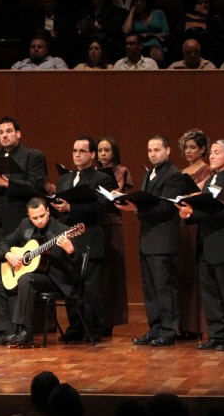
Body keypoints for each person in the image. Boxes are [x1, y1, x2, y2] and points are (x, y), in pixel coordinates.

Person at [0, 117, 48, 338]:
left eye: (9, 131)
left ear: (19, 133)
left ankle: (16, 327)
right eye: (1, 132)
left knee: (13, 279)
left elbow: (37, 187)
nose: (4, 135)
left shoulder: (32, 156)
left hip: (14, 227)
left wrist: (8, 183)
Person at [114, 135, 185, 347]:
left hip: (164, 240)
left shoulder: (174, 175)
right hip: (147, 239)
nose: (153, 154)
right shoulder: (149, 173)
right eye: (150, 150)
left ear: (168, 151)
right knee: (150, 287)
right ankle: (155, 328)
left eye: (157, 150)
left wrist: (136, 207)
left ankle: (169, 330)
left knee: (165, 287)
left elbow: (165, 207)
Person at [0, 197, 84, 346]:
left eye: (42, 216)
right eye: (35, 218)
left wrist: (71, 252)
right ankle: (8, 331)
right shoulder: (25, 225)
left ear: (48, 211)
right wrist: (7, 254)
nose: (39, 221)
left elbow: (75, 266)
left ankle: (25, 332)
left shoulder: (62, 231)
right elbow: (4, 242)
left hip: (53, 279)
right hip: (30, 275)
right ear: (29, 216)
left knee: (26, 279)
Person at [176, 139, 224, 351]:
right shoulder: (210, 180)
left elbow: (223, 212)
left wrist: (197, 211)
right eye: (211, 152)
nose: (212, 156)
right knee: (210, 294)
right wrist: (189, 215)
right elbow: (204, 211)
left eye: (217, 152)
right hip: (205, 243)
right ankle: (217, 335)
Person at [49, 136, 114, 341]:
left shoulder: (101, 178)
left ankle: (93, 329)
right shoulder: (65, 179)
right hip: (69, 238)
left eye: (82, 151)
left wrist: (72, 208)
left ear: (92, 154)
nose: (77, 155)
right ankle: (75, 328)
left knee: (90, 288)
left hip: (90, 237)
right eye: (75, 151)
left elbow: (101, 206)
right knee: (71, 285)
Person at [178, 128, 213, 338]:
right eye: (186, 147)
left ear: (202, 149)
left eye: (193, 147)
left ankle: (198, 326)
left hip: (196, 224)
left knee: (196, 271)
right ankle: (184, 325)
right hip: (182, 224)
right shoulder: (182, 171)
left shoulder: (207, 170)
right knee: (183, 274)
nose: (188, 151)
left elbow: (196, 193)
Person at [96, 137, 133, 335]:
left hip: (111, 223)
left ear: (113, 152)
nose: (103, 154)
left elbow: (116, 193)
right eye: (100, 150)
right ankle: (96, 317)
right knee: (98, 274)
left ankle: (110, 320)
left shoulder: (121, 170)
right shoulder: (92, 172)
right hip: (95, 223)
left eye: (107, 150)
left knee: (112, 273)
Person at [121, 0, 169, 64]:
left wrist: (150, 35)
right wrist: (131, 12)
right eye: (136, 1)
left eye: (141, 1)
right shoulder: (135, 17)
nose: (138, 4)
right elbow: (126, 30)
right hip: (139, 45)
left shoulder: (159, 13)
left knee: (155, 44)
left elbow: (166, 33)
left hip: (155, 42)